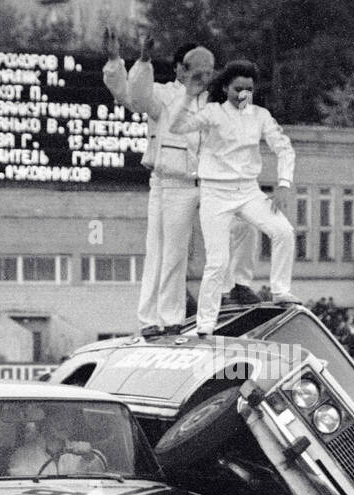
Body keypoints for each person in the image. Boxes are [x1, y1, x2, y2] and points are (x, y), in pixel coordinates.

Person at [103, 34, 258, 337]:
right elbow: (132, 94)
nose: (202, 75)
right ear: (180, 70)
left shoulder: (216, 99)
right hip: (174, 183)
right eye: (195, 68)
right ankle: (165, 319)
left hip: (212, 183)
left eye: (207, 69)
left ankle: (237, 285)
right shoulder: (163, 96)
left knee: (245, 224)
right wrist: (138, 61)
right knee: (170, 253)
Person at [170, 59, 301, 336]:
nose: (242, 94)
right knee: (217, 261)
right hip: (215, 193)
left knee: (284, 232)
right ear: (226, 87)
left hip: (249, 190)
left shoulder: (261, 116)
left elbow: (285, 149)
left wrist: (284, 184)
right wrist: (188, 96)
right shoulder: (212, 112)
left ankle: (280, 291)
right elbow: (177, 127)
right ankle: (206, 325)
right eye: (237, 88)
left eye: (248, 89)